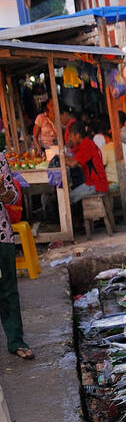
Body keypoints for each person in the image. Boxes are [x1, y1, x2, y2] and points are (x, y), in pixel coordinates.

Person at [0, 150, 34, 359]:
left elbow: (13, 197)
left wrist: (2, 189)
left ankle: (16, 341)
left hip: (1, 234)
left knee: (8, 291)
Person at [65, 120, 109, 205]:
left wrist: (62, 159)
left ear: (78, 135)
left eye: (71, 136)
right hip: (94, 184)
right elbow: (75, 160)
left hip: (96, 185)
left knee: (68, 199)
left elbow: (73, 163)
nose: (70, 139)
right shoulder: (86, 143)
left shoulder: (87, 145)